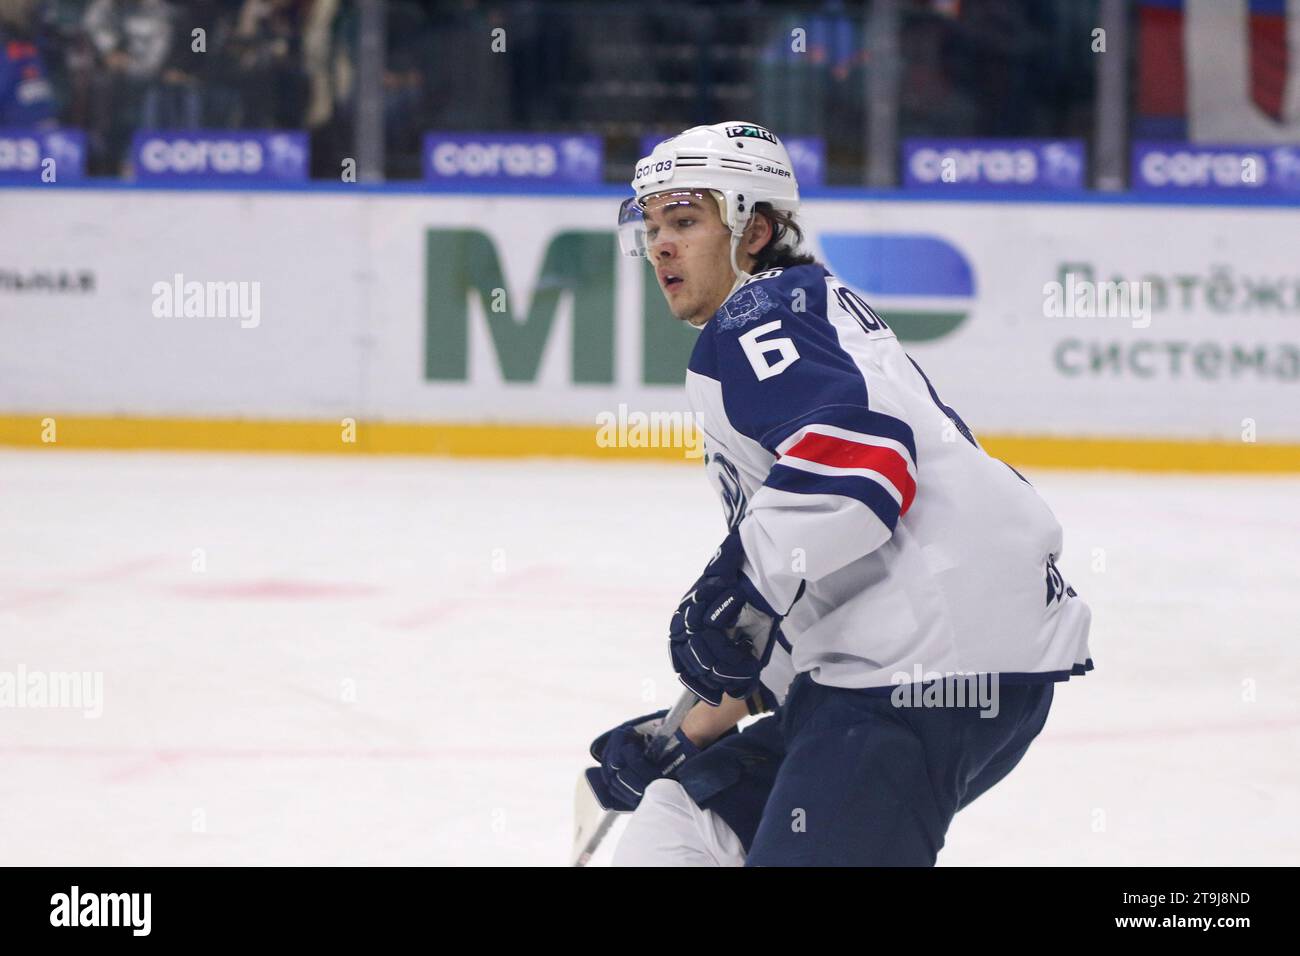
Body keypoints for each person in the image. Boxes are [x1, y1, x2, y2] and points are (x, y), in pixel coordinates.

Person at [588, 120, 1092, 866]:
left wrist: (733, 587)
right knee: (685, 812)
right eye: (654, 225)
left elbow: (861, 464)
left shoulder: (753, 319)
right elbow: (821, 561)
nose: (661, 244)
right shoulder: (802, 308)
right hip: (942, 668)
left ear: (753, 229)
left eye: (687, 221)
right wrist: (691, 727)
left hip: (911, 676)